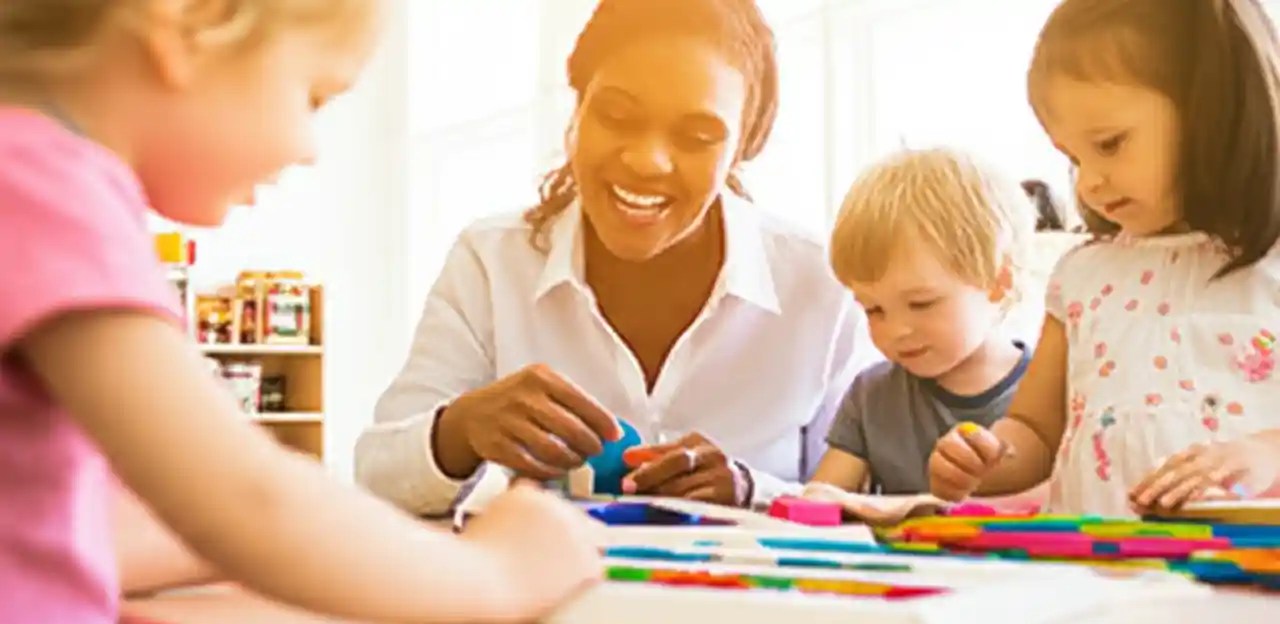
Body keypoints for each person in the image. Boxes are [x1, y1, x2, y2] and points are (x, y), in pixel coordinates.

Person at [0, 1, 601, 624]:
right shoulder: (41, 186)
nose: (310, 147)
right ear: (193, 22)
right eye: (313, 95)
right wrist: (500, 573)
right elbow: (250, 501)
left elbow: (71, 525)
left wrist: (274, 532)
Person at [355, 0, 875, 517]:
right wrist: (461, 430)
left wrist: (749, 489)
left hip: (760, 598)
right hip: (544, 596)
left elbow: (866, 499)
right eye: (616, 115)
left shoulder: (822, 286)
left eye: (697, 137)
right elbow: (378, 477)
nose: (647, 160)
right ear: (577, 109)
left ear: (744, 146)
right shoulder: (492, 263)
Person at [928, 0, 1280, 518]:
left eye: (1110, 145)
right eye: (1073, 157)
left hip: (1246, 577)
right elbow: (1035, 429)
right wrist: (988, 458)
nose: (1089, 182)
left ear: (1216, 108)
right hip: (1098, 573)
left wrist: (1266, 451)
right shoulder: (1082, 277)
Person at [801, 148, 1036, 523]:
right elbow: (818, 505)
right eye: (873, 310)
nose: (896, 332)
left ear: (998, 283)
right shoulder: (871, 396)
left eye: (922, 303)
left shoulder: (1049, 397)